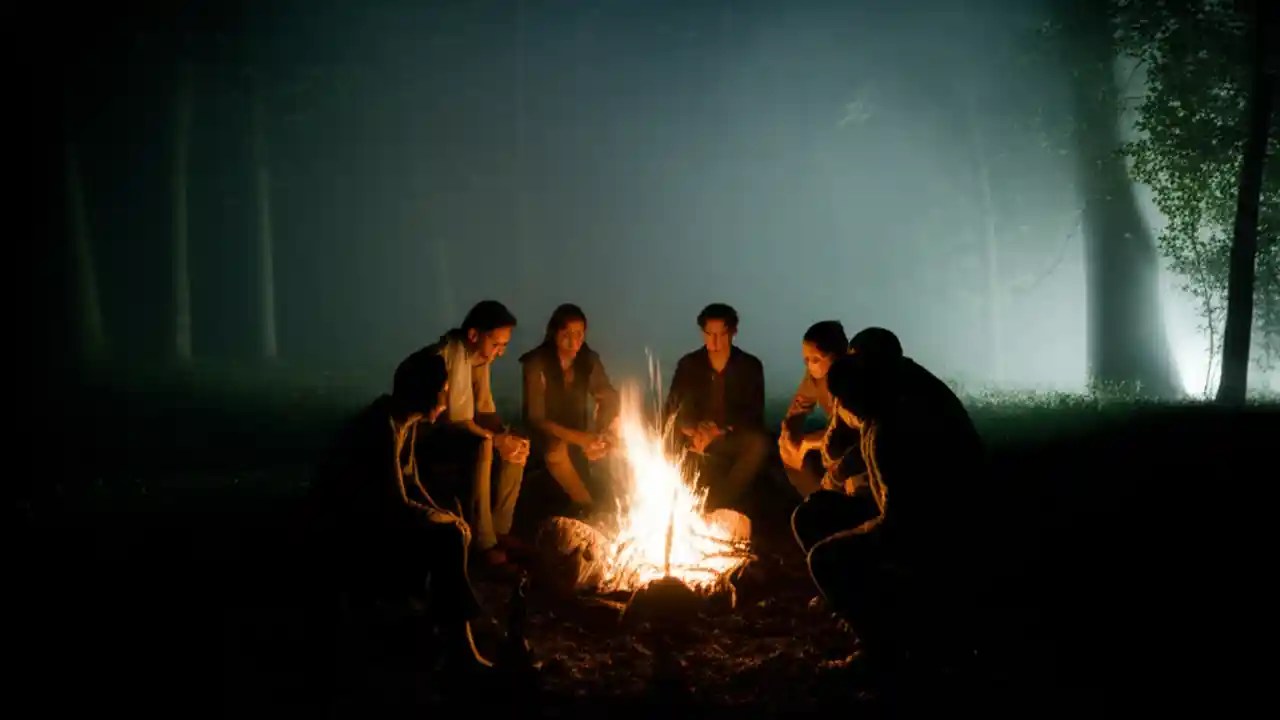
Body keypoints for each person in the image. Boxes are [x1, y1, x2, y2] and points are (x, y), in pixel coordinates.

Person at [792, 337, 985, 681]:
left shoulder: (898, 421)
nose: (843, 408)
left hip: (938, 533)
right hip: (902, 513)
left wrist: (848, 538)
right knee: (812, 513)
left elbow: (902, 522)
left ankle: (883, 650)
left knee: (825, 557)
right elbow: (856, 439)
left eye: (845, 401)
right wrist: (837, 468)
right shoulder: (881, 401)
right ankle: (851, 601)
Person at [308, 351, 492, 672]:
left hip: (379, 518)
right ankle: (459, 648)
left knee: (454, 527)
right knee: (448, 538)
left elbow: (411, 481)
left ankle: (448, 628)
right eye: (444, 389)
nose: (447, 398)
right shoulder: (382, 427)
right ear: (422, 389)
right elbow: (394, 503)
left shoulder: (403, 422)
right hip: (355, 531)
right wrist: (444, 523)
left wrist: (445, 514)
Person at [401, 300, 530, 570]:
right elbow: (458, 422)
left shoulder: (479, 360)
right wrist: (495, 440)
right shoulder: (452, 354)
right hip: (428, 438)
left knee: (514, 442)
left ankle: (499, 528)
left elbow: (485, 410)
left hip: (454, 433)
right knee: (484, 444)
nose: (500, 353)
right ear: (473, 335)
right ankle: (483, 545)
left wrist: (507, 437)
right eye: (496, 344)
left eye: (504, 346)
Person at [663, 302, 768, 511]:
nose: (715, 341)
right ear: (703, 333)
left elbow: (754, 413)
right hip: (693, 435)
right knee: (663, 437)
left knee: (758, 444)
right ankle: (677, 500)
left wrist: (719, 431)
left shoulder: (749, 366)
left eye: (721, 334)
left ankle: (719, 503)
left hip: (727, 436)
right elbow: (673, 408)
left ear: (733, 332)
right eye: (709, 334)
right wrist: (694, 429)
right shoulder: (689, 364)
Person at [519, 303, 621, 514]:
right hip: (546, 435)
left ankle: (623, 505)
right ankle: (588, 507)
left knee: (621, 442)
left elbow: (608, 396)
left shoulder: (588, 360)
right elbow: (537, 419)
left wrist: (603, 432)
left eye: (579, 334)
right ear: (554, 333)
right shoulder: (536, 363)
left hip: (580, 432)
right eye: (567, 333)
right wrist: (580, 438)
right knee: (556, 450)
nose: (574, 341)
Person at [778, 320, 849, 498]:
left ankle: (839, 507)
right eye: (807, 360)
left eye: (816, 359)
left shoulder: (852, 379)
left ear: (837, 356)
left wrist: (807, 442)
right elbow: (798, 407)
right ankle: (818, 501)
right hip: (833, 440)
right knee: (787, 450)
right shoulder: (816, 376)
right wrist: (789, 433)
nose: (810, 366)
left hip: (857, 445)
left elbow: (850, 434)